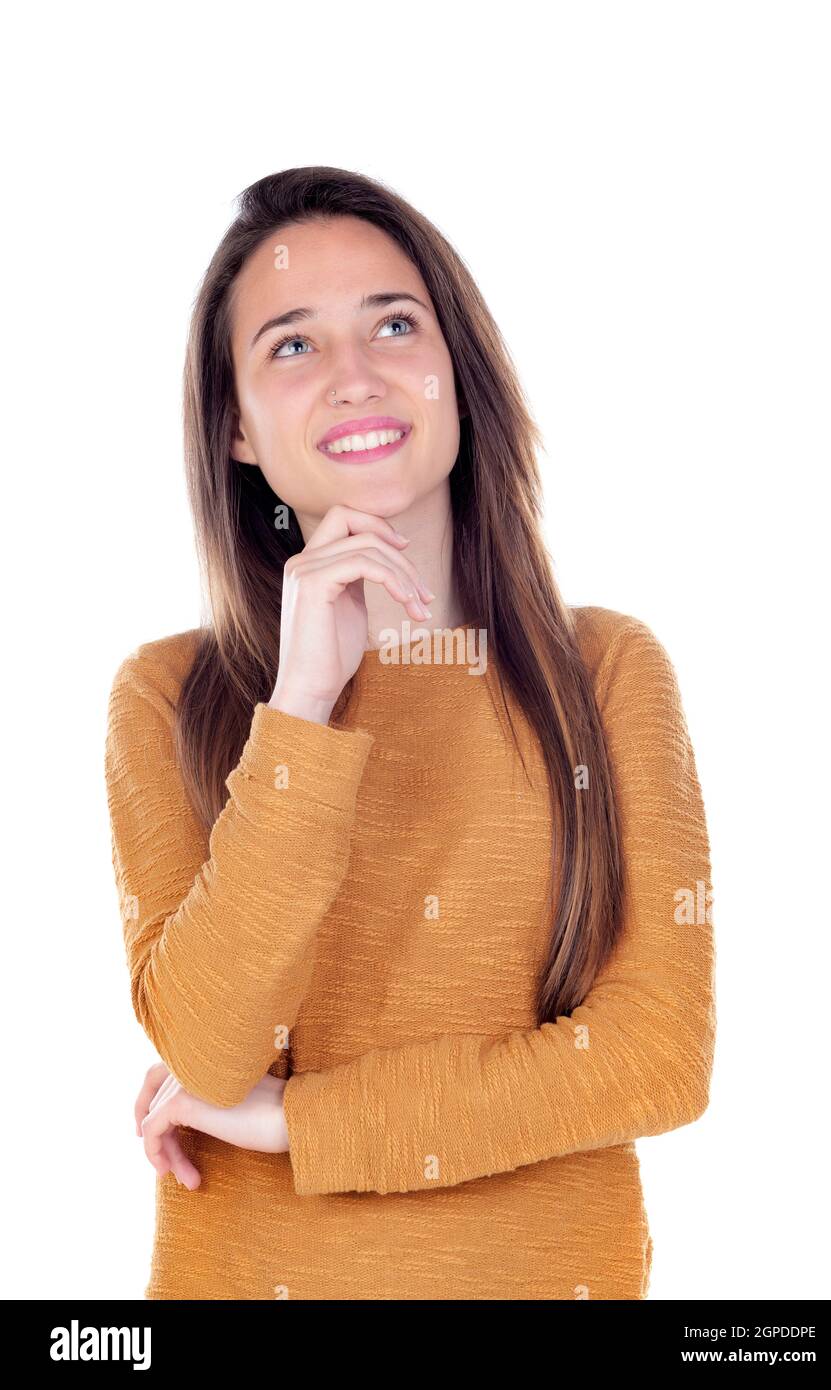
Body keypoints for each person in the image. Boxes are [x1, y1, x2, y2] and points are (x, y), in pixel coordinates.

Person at [104, 165, 716, 1301]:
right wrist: (299, 710)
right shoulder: (169, 695)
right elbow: (207, 1049)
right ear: (237, 426)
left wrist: (306, 1122)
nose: (354, 376)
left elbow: (656, 1058)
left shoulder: (607, 670)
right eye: (292, 344)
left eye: (393, 323)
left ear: (455, 372)